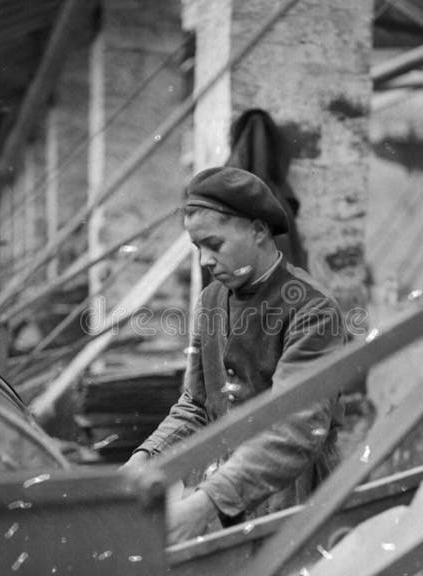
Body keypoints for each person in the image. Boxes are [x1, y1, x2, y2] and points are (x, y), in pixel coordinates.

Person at [124, 166, 346, 542]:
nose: (205, 261)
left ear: (258, 230)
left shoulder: (312, 309)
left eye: (215, 245)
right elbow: (197, 405)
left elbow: (295, 427)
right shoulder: (211, 301)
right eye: (198, 248)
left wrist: (208, 501)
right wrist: (147, 459)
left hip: (291, 503)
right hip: (218, 499)